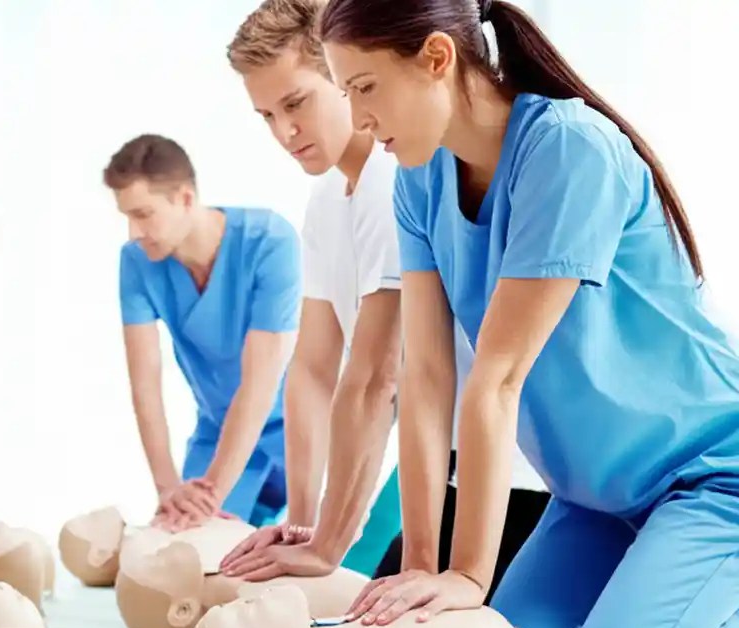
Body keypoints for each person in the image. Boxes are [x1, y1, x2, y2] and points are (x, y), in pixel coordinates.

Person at [319, 1, 739, 628]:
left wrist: (468, 576)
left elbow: (499, 378)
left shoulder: (569, 150)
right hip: (596, 500)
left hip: (713, 480)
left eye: (365, 87)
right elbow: (425, 380)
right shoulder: (421, 181)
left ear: (436, 59)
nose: (357, 118)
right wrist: (422, 566)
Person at [218, 0, 550, 595]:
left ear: (344, 79)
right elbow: (314, 372)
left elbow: (376, 380)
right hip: (444, 467)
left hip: (509, 474)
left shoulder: (394, 181)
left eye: (296, 103)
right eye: (266, 115)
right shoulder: (327, 203)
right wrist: (303, 523)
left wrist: (327, 544)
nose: (284, 132)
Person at [107, 133, 301, 530]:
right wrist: (169, 491)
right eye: (127, 217)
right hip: (219, 428)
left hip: (306, 425)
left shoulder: (271, 242)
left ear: (185, 198)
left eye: (143, 214)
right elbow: (145, 385)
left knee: (321, 562)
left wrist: (208, 497)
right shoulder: (137, 262)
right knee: (183, 546)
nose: (134, 232)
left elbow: (260, 385)